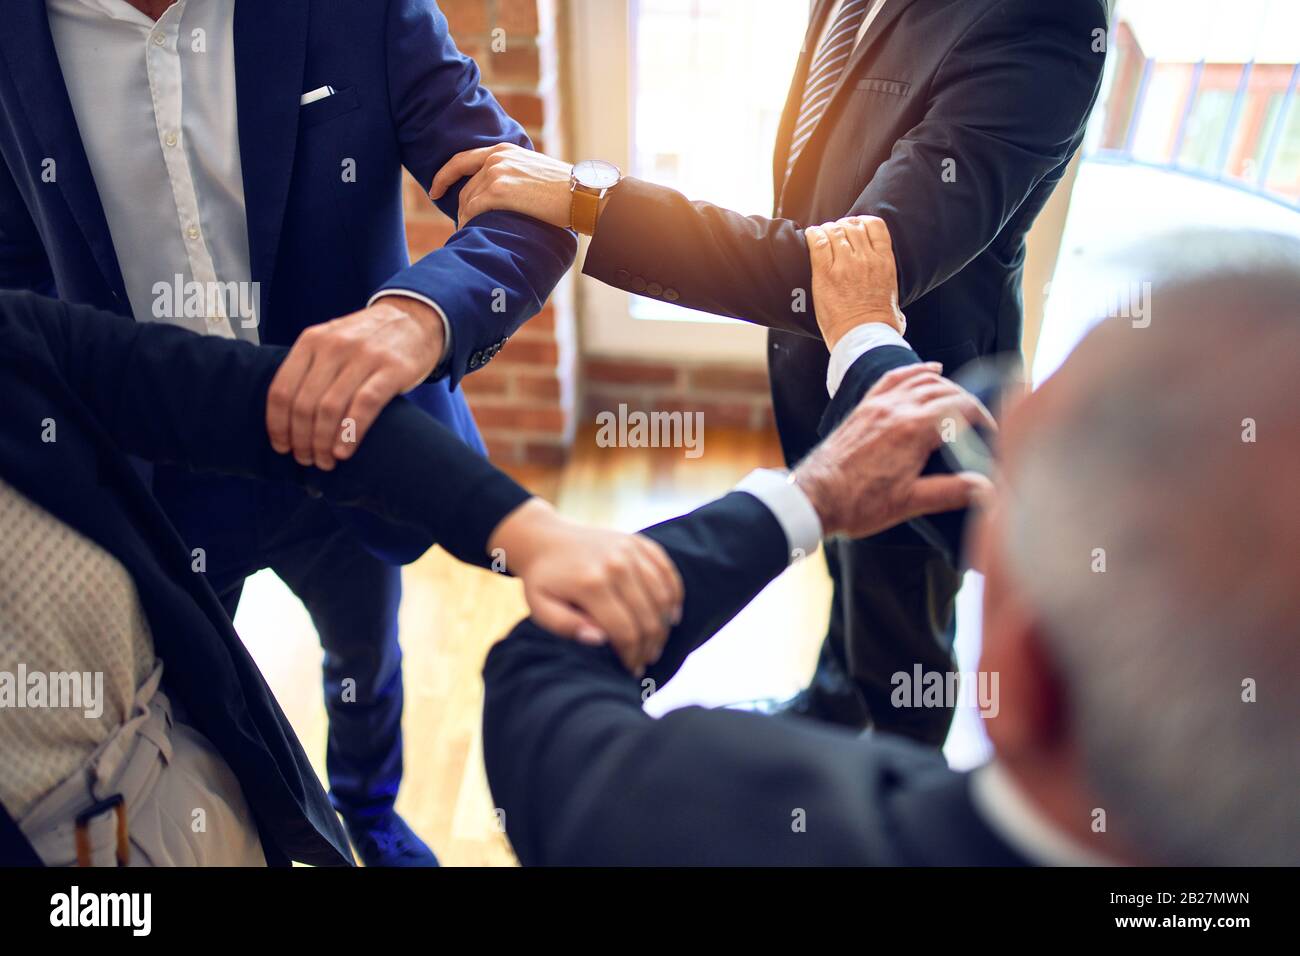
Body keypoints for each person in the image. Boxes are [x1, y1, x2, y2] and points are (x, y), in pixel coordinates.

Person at [480, 226, 1300, 866]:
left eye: (1011, 474)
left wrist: (801, 501)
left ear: (1023, 677)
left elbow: (540, 678)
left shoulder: (710, 820)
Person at [433, 0, 1111, 743]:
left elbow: (851, 268)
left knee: (901, 632)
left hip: (917, 380)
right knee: (849, 572)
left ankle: (883, 791)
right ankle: (833, 702)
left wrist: (583, 198)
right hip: (814, 359)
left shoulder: (1044, 20)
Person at [0, 0, 575, 864]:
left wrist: (418, 317)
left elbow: (530, 202)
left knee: (365, 661)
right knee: (193, 701)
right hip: (153, 475)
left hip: (356, 445)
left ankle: (371, 819)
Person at [0, 287, 684, 866]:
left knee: (365, 652)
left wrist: (528, 530)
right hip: (62, 841)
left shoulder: (19, 341)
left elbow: (249, 395)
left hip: (210, 805)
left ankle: (369, 810)